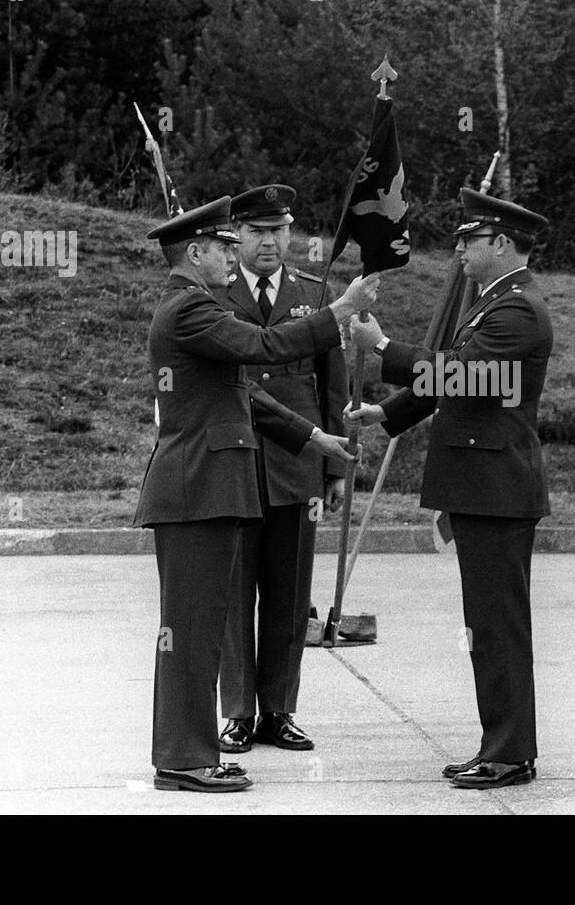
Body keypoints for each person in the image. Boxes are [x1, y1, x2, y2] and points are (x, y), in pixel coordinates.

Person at [133, 196, 379, 792]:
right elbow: (264, 350)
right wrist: (340, 309)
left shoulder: (193, 306)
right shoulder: (190, 308)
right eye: (223, 245)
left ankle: (192, 751)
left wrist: (313, 438)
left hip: (206, 490)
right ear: (196, 252)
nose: (232, 253)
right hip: (198, 490)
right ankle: (185, 759)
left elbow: (248, 395)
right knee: (190, 630)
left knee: (195, 626)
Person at [346, 188, 552, 790]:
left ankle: (510, 753)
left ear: (503, 244)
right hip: (482, 486)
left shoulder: (516, 310)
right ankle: (503, 745)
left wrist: (383, 349)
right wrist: (389, 414)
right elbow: (454, 379)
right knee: (486, 624)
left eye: (471, 239)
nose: (459, 248)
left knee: (497, 625)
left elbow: (468, 376)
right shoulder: (492, 303)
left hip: (496, 487)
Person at [215, 184, 348, 754]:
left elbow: (333, 382)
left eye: (277, 231)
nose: (268, 241)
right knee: (234, 594)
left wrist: (338, 467)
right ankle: (239, 712)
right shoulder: (213, 296)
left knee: (290, 596)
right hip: (240, 464)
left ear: (290, 234)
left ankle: (280, 709)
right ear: (236, 237)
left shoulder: (315, 297)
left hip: (298, 466)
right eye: (255, 232)